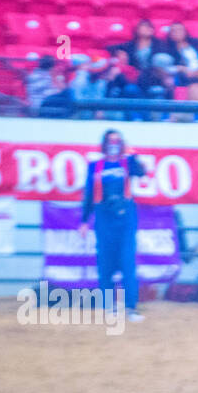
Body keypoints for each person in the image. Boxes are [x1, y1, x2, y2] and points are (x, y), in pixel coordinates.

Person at [79, 129, 146, 321]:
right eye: (110, 141)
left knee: (127, 262)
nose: (114, 144)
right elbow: (89, 195)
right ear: (104, 143)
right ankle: (109, 308)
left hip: (125, 218)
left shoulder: (127, 163)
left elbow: (142, 173)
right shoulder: (95, 166)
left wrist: (134, 156)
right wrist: (84, 221)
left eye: (117, 141)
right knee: (105, 263)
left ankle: (131, 308)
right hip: (104, 217)